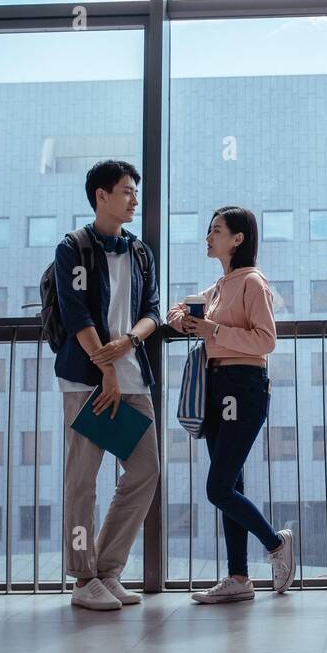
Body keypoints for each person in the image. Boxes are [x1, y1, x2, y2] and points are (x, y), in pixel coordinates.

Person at [167, 206, 294, 604]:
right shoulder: (220, 286)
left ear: (238, 238)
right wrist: (183, 322)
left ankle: (276, 544)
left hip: (244, 385)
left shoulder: (252, 283)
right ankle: (238, 577)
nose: (208, 237)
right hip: (217, 384)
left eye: (216, 231)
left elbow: (265, 340)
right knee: (231, 483)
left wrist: (213, 329)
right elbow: (177, 310)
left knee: (219, 487)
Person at [53, 160, 163, 611]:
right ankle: (83, 580)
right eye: (125, 191)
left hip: (133, 377)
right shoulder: (73, 249)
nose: (134, 198)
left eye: (134, 191)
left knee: (145, 470)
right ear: (100, 195)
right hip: (86, 381)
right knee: (83, 478)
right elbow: (76, 315)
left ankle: (108, 569)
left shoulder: (139, 252)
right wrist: (107, 372)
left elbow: (153, 310)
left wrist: (129, 341)